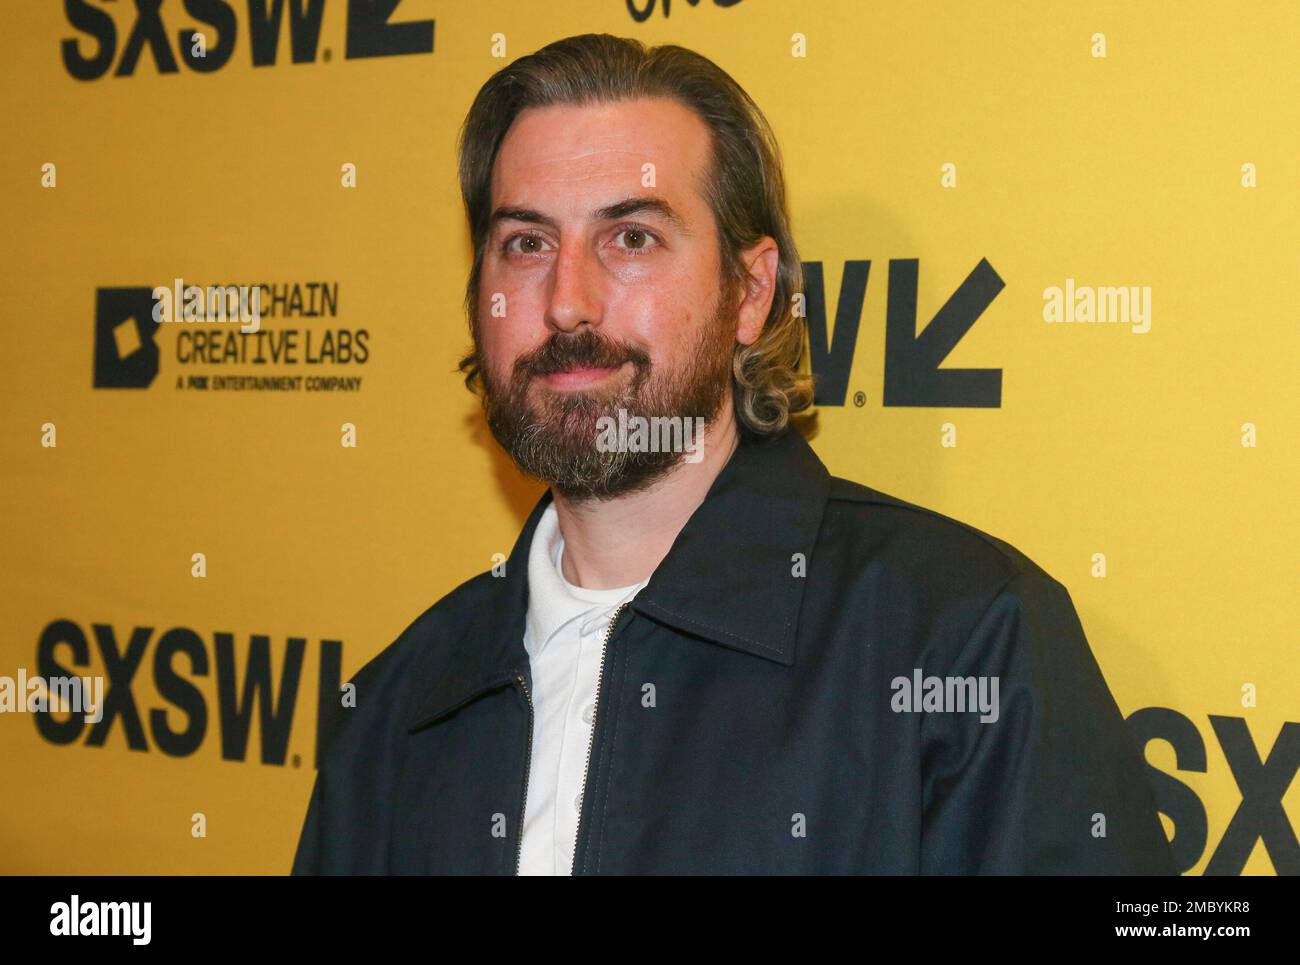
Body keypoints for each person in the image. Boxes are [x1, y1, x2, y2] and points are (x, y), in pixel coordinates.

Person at [291, 33, 1174, 875]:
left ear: (750, 293)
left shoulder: (965, 645)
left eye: (631, 238)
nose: (567, 302)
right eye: (526, 243)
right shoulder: (398, 706)